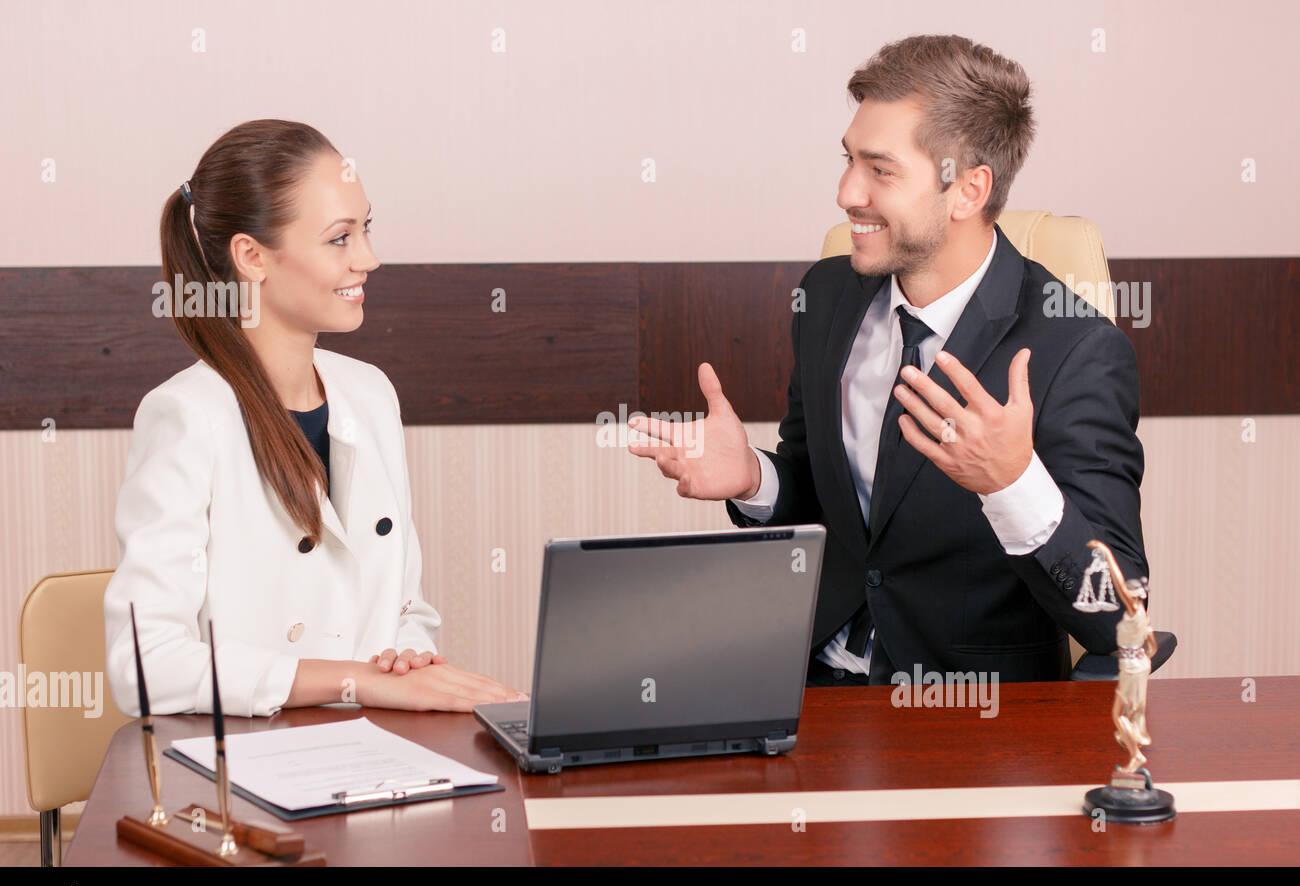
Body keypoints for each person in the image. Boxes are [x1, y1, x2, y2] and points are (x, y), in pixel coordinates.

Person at [628, 35, 1149, 685]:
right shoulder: (823, 297)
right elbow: (829, 506)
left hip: (969, 717)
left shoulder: (1077, 350)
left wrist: (1013, 482)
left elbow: (1121, 617)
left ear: (966, 190)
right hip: (808, 682)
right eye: (848, 161)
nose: (847, 192)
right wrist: (755, 479)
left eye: (880, 170)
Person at [104, 119, 525, 716]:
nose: (370, 259)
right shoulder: (187, 416)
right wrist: (356, 680)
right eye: (340, 239)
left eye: (367, 229)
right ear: (251, 256)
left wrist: (406, 664)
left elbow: (405, 610)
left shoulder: (371, 394)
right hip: (250, 771)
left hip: (377, 754)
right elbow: (143, 668)